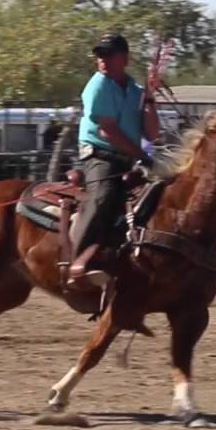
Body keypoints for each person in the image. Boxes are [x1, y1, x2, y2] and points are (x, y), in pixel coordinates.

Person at [68, 33, 161, 286]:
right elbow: (107, 131)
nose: (103, 60)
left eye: (109, 54)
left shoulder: (135, 91)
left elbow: (152, 133)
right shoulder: (98, 85)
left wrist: (150, 99)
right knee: (103, 195)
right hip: (99, 155)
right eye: (100, 55)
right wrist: (142, 156)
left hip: (128, 159)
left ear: (125, 58)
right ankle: (78, 263)